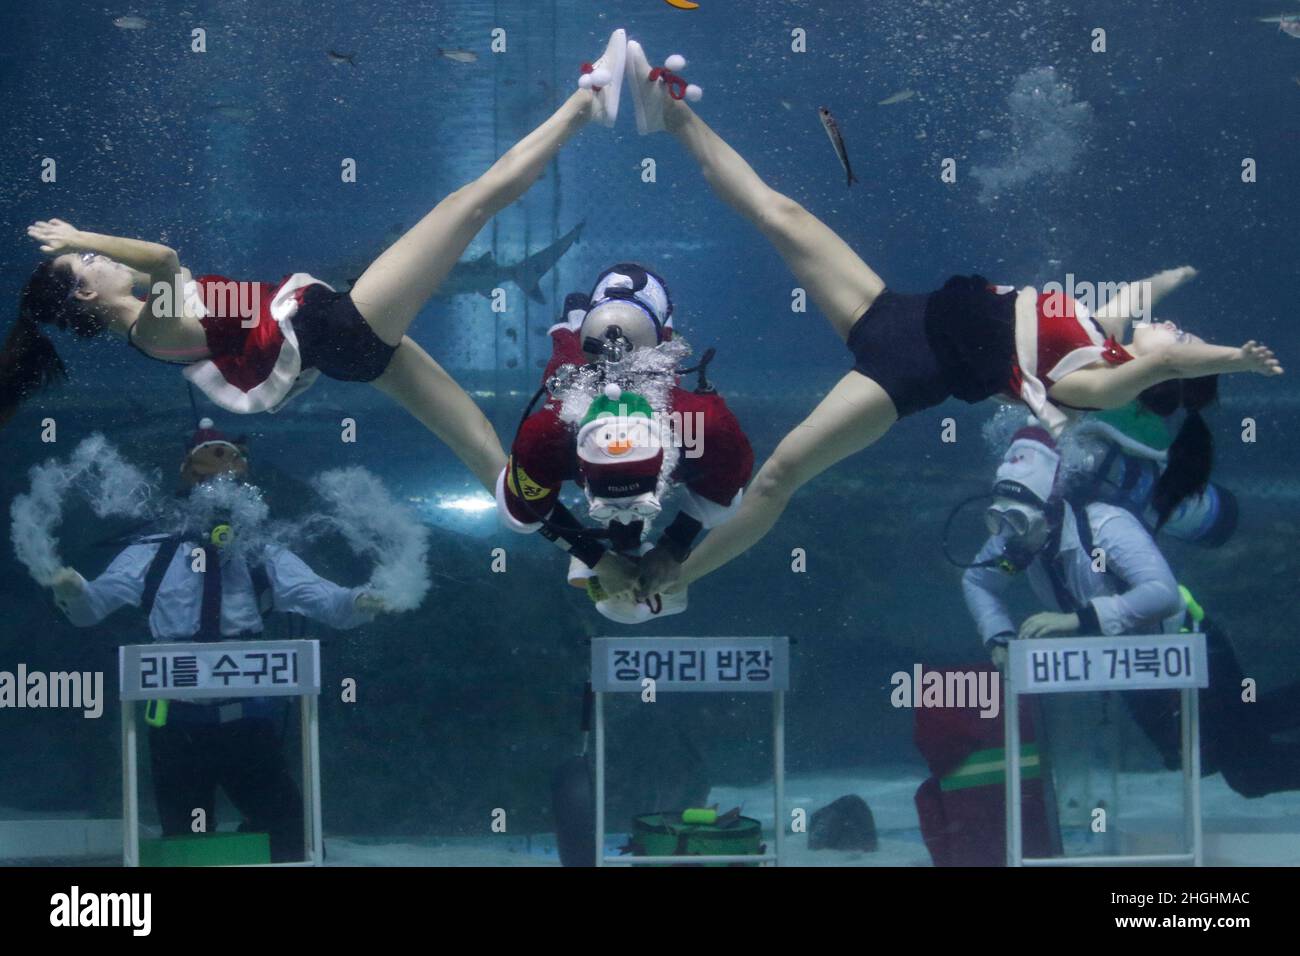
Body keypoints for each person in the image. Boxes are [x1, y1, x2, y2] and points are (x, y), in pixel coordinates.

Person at [611, 38, 1283, 593]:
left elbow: (1163, 358)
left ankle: (674, 577)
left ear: (1155, 375)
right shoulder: (1102, 338)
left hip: (905, 374)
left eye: (1179, 337)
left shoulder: (1090, 388)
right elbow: (1139, 311)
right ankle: (671, 114)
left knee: (781, 473)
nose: (1172, 328)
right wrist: (1171, 279)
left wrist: (1233, 360)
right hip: (896, 312)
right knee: (780, 214)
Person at [3, 30, 634, 494]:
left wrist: (97, 252)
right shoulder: (153, 327)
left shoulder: (152, 326)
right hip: (341, 328)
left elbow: (163, 274)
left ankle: (579, 545)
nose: (102, 258)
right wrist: (85, 234)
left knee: (491, 465)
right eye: (89, 261)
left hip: (346, 343)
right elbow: (164, 258)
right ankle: (585, 104)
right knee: (469, 204)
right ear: (85, 292)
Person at [45, 419, 396, 861]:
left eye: (233, 471)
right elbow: (90, 609)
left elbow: (330, 605)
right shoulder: (150, 554)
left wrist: (364, 601)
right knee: (187, 849)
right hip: (172, 726)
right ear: (186, 476)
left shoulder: (264, 556)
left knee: (293, 840)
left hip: (247, 725)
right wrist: (72, 590)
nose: (222, 483)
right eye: (208, 473)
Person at [961, 427, 1300, 798]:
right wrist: (998, 637)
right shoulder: (1013, 539)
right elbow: (978, 582)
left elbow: (1162, 593)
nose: (1009, 534)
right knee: (1197, 755)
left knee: (1250, 773)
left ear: (1051, 509)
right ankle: (1250, 723)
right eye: (999, 520)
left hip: (1187, 647)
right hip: (1128, 666)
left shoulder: (1105, 524)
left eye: (1019, 522)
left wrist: (1078, 619)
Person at [496, 265, 753, 622]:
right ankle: (576, 318)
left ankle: (586, 317)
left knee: (637, 350)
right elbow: (523, 503)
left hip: (653, 347)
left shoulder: (698, 428)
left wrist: (671, 547)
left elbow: (725, 482)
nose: (625, 511)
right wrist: (598, 558)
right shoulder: (550, 435)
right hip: (586, 370)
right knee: (569, 352)